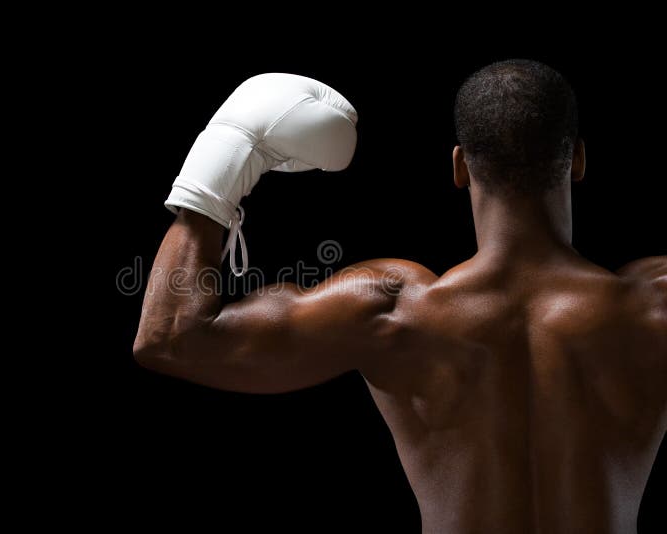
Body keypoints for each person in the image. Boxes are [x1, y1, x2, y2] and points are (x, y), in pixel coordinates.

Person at [133, 62, 666, 533]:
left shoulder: (392, 311)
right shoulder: (654, 309)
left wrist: (214, 178)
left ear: (459, 167)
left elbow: (171, 339)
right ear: (576, 161)